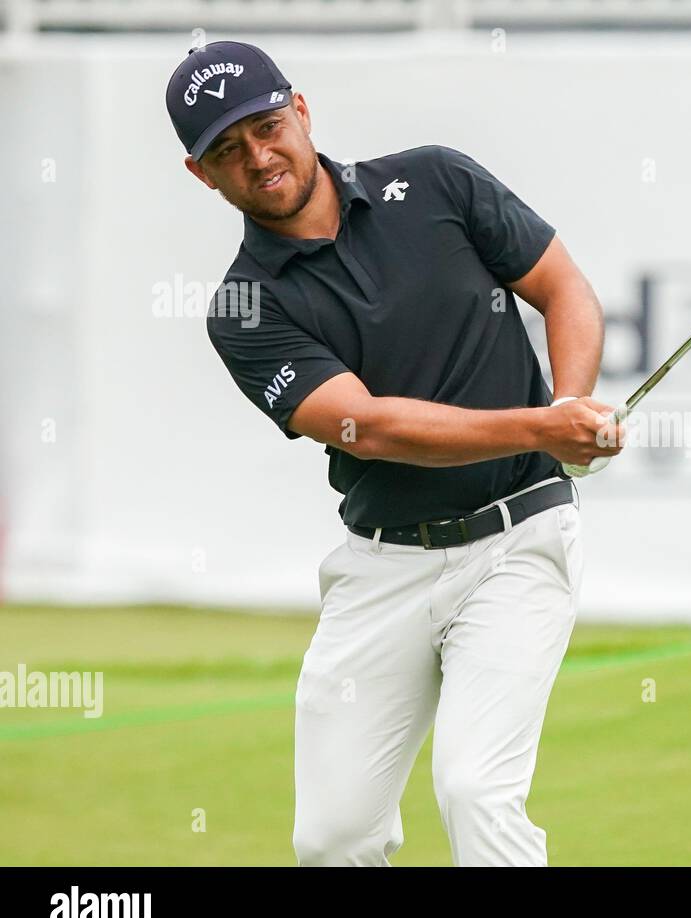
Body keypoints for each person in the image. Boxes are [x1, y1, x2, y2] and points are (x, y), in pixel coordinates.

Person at [165, 40, 624, 866]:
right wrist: (541, 429)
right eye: (227, 151)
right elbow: (366, 428)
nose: (259, 158)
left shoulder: (437, 182)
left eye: (267, 127)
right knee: (333, 839)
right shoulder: (242, 308)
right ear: (203, 175)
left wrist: (568, 404)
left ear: (301, 112)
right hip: (383, 570)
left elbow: (564, 289)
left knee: (477, 790)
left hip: (520, 538)